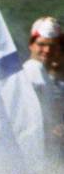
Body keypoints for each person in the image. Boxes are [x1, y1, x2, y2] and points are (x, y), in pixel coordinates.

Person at [23, 16, 64, 164]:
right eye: (41, 44)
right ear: (31, 45)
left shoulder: (58, 81)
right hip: (33, 155)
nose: (47, 50)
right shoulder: (27, 74)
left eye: (53, 46)